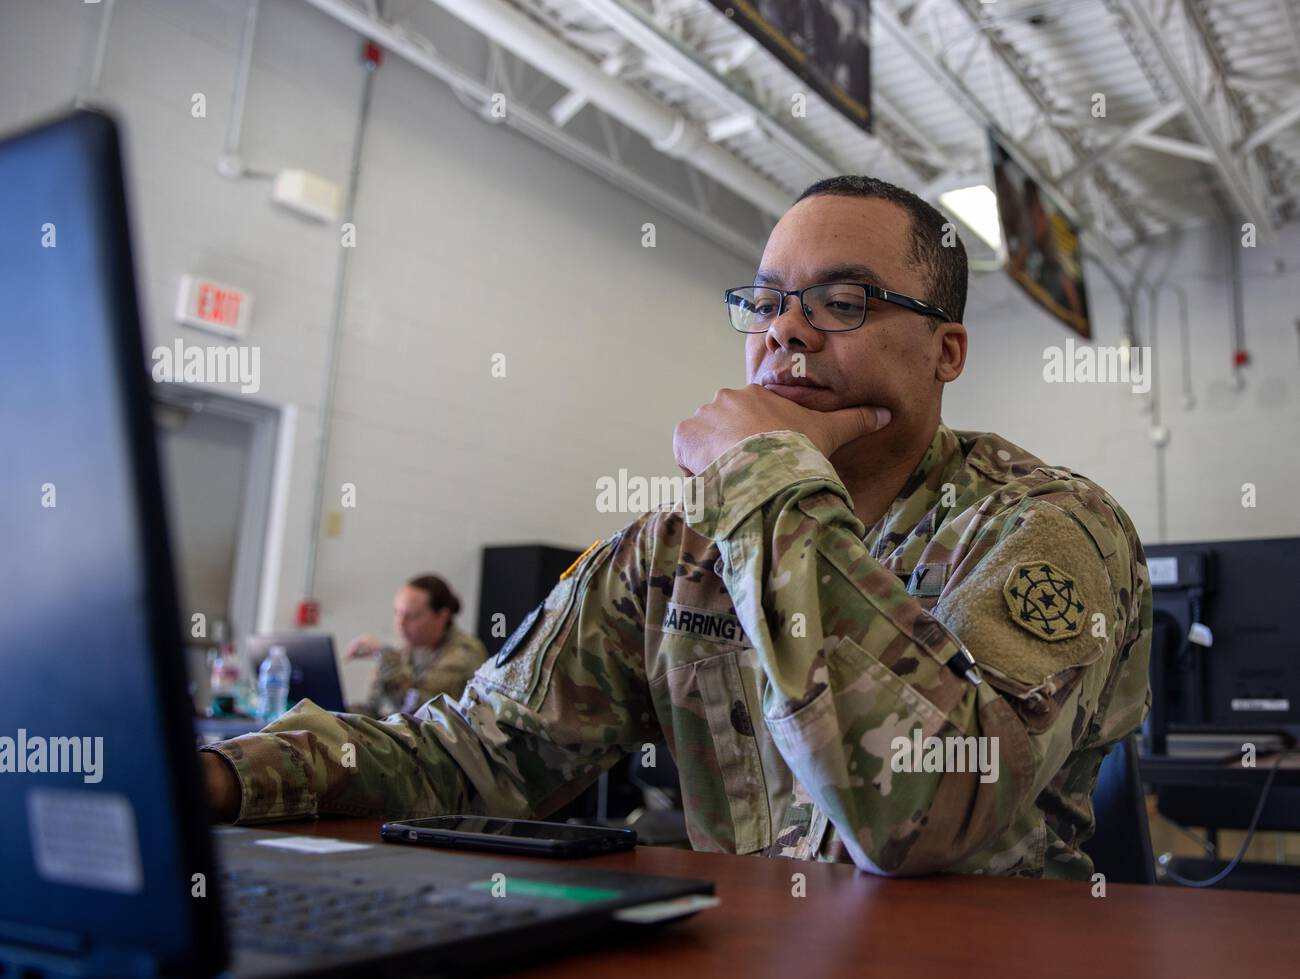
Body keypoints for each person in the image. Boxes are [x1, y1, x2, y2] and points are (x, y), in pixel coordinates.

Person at [200, 175, 1151, 880]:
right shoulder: (678, 551)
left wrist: (759, 473)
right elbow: (478, 755)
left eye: (843, 302)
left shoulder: (1047, 527)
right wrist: (223, 777)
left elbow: (925, 811)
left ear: (947, 352)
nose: (787, 331)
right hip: (751, 965)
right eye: (767, 301)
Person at [344, 575, 486, 716]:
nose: (400, 623)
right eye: (397, 612)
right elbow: (377, 709)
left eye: (412, 616)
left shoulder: (465, 654)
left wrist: (385, 656)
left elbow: (419, 710)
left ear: (442, 616)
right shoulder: (407, 646)